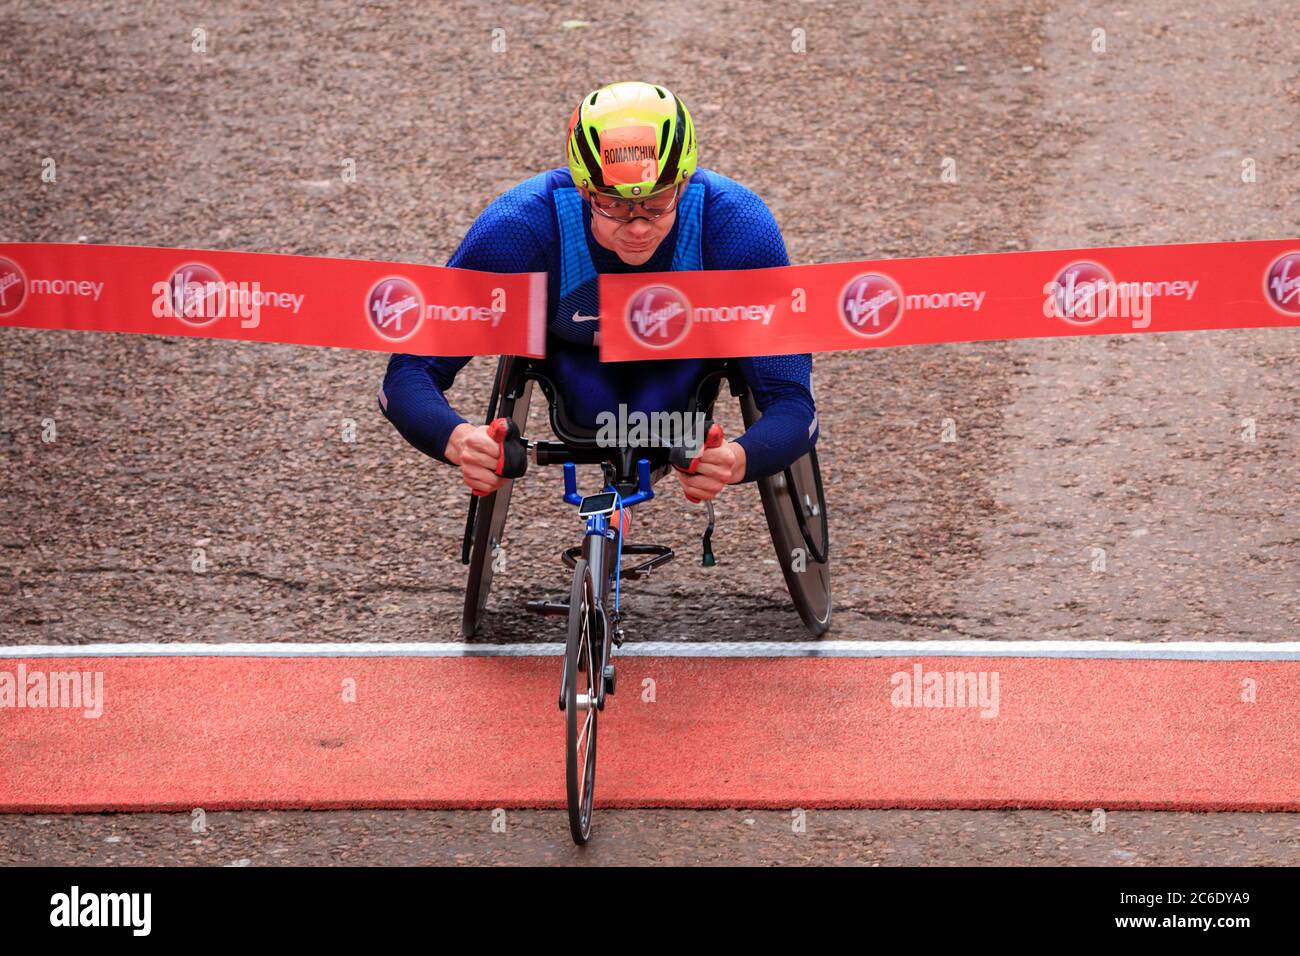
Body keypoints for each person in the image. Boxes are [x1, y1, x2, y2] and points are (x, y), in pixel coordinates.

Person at [379, 80, 817, 512]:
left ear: (684, 183)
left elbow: (793, 400)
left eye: (658, 201)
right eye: (616, 204)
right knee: (596, 408)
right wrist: (459, 440)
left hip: (686, 362)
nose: (639, 226)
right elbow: (409, 371)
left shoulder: (736, 227)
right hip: (574, 359)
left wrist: (738, 460)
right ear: (584, 188)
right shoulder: (520, 228)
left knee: (654, 411)